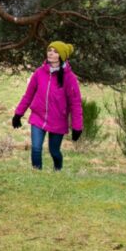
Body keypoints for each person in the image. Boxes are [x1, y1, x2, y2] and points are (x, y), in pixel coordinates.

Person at [11, 41, 84, 171]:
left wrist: (77, 126)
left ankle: (58, 170)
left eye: (55, 51)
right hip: (38, 118)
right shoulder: (39, 73)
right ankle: (37, 173)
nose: (51, 53)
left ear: (61, 56)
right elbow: (28, 95)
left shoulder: (69, 78)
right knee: (36, 148)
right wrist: (18, 114)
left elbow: (75, 104)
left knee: (54, 151)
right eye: (49, 50)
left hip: (58, 120)